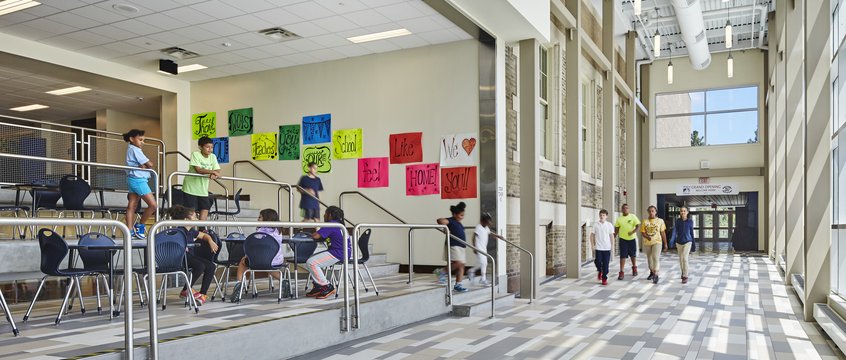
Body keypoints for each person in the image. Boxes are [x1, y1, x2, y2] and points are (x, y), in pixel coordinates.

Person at [230, 209, 286, 302]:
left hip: (260, 259)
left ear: (266, 218)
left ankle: (239, 285)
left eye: (260, 217)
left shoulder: (260, 231)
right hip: (276, 260)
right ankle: (284, 282)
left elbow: (254, 246)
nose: (258, 219)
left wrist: (247, 256)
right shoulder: (278, 231)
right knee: (267, 265)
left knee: (243, 262)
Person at [169, 205, 218, 305]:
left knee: (211, 266)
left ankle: (202, 294)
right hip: (181, 258)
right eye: (194, 217)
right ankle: (186, 290)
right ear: (186, 219)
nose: (196, 219)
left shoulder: (191, 231)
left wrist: (210, 241)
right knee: (200, 266)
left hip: (190, 257)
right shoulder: (179, 231)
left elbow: (204, 235)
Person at [302, 206, 350, 299]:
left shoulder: (331, 224)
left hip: (338, 253)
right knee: (311, 259)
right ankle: (318, 285)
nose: (324, 215)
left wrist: (312, 234)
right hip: (342, 251)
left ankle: (326, 286)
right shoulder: (339, 224)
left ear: (330, 215)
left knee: (311, 262)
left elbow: (316, 236)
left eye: (325, 213)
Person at [123, 129, 157, 239]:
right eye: (140, 139)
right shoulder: (135, 149)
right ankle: (140, 225)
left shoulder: (131, 149)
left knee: (132, 205)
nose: (142, 142)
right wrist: (147, 165)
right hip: (138, 180)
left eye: (143, 140)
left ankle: (129, 230)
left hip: (133, 178)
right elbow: (150, 164)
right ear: (132, 139)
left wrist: (144, 165)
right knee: (153, 205)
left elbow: (145, 165)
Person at [183, 136, 221, 221]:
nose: (210, 149)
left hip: (203, 189)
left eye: (212, 147)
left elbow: (217, 169)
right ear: (200, 147)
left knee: (205, 208)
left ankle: (202, 228)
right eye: (207, 147)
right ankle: (191, 230)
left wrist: (215, 173)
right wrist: (212, 172)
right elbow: (198, 169)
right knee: (191, 210)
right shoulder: (196, 154)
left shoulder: (213, 156)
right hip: (190, 187)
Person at [436, 202, 469, 292]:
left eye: (463, 215)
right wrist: (445, 226)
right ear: (454, 214)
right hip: (453, 245)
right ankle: (441, 272)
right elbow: (440, 220)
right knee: (457, 263)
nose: (462, 217)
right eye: (460, 215)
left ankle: (458, 284)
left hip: (461, 246)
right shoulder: (451, 220)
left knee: (461, 265)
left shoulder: (459, 223)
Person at [468, 213, 503, 286]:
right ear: (483, 221)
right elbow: (474, 237)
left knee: (480, 263)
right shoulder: (478, 227)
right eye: (488, 221)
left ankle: (471, 271)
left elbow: (490, 233)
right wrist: (474, 247)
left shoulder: (486, 228)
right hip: (479, 248)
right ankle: (483, 279)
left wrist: (498, 236)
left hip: (484, 248)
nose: (490, 223)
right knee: (484, 263)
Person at [641, 205, 668, 284]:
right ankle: (651, 272)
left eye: (653, 211)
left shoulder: (660, 221)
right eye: (649, 211)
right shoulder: (645, 221)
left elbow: (663, 232)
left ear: (655, 212)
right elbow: (642, 232)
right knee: (649, 258)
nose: (651, 212)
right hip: (647, 242)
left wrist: (665, 244)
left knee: (655, 257)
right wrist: (647, 236)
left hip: (657, 242)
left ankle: (656, 274)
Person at [614, 203, 641, 280]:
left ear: (628, 209)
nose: (625, 209)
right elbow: (616, 229)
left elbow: (638, 225)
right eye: (624, 208)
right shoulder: (619, 219)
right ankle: (621, 272)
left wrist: (633, 232)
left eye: (627, 208)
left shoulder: (633, 216)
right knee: (623, 256)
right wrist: (614, 235)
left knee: (633, 255)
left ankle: (634, 268)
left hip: (632, 239)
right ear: (621, 210)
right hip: (623, 239)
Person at [670, 206, 696, 284]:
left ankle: (685, 275)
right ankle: (683, 272)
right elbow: (674, 231)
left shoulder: (690, 221)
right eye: (681, 211)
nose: (683, 212)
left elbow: (691, 233)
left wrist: (694, 244)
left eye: (684, 211)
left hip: (688, 242)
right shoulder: (677, 221)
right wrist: (672, 240)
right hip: (679, 242)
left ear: (687, 212)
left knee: (685, 258)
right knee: (681, 259)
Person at [591, 209, 614, 285]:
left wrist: (612, 246)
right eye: (600, 215)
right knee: (597, 261)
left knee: (606, 264)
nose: (602, 216)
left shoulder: (609, 225)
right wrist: (592, 245)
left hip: (607, 248)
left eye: (603, 215)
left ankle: (604, 278)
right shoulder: (595, 224)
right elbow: (592, 235)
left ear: (606, 216)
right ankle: (600, 270)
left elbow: (611, 236)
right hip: (598, 247)